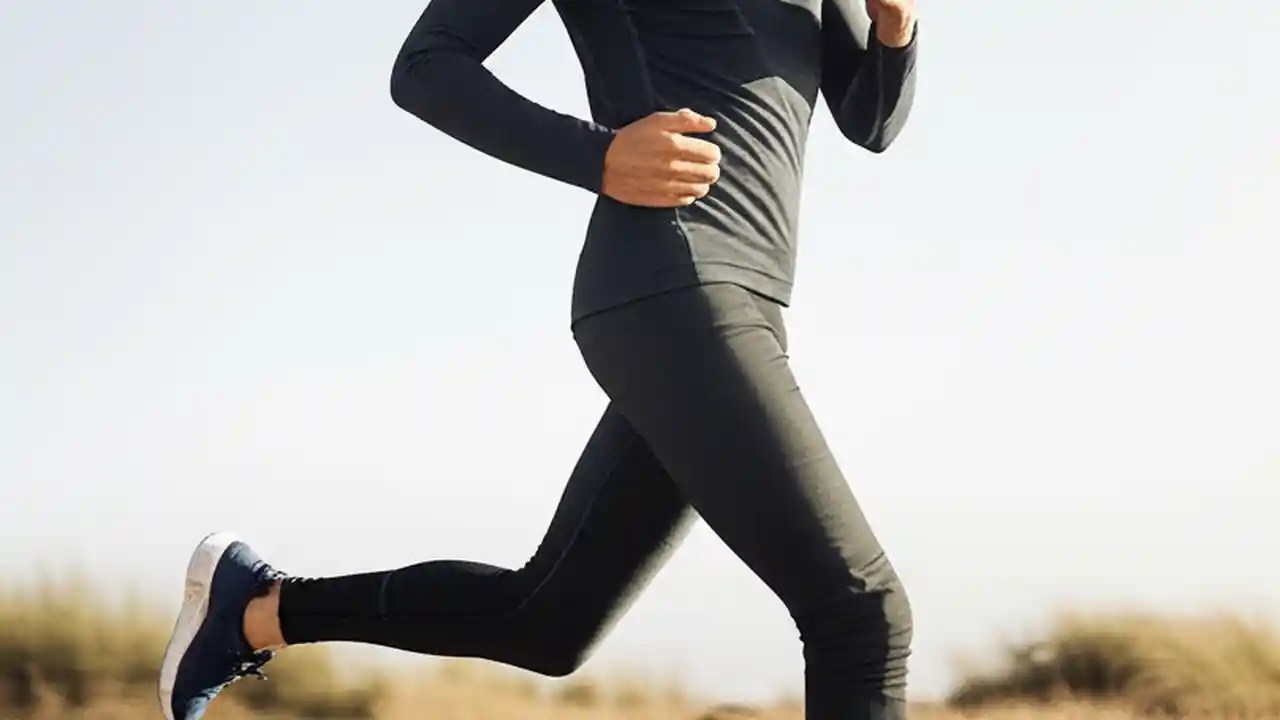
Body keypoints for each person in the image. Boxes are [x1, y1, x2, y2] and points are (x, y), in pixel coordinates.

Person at [158, 0, 919, 717]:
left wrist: (895, 25)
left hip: (740, 305)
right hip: (672, 287)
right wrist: (601, 156)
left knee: (550, 623)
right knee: (861, 613)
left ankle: (255, 610)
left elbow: (870, 119)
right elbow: (425, 65)